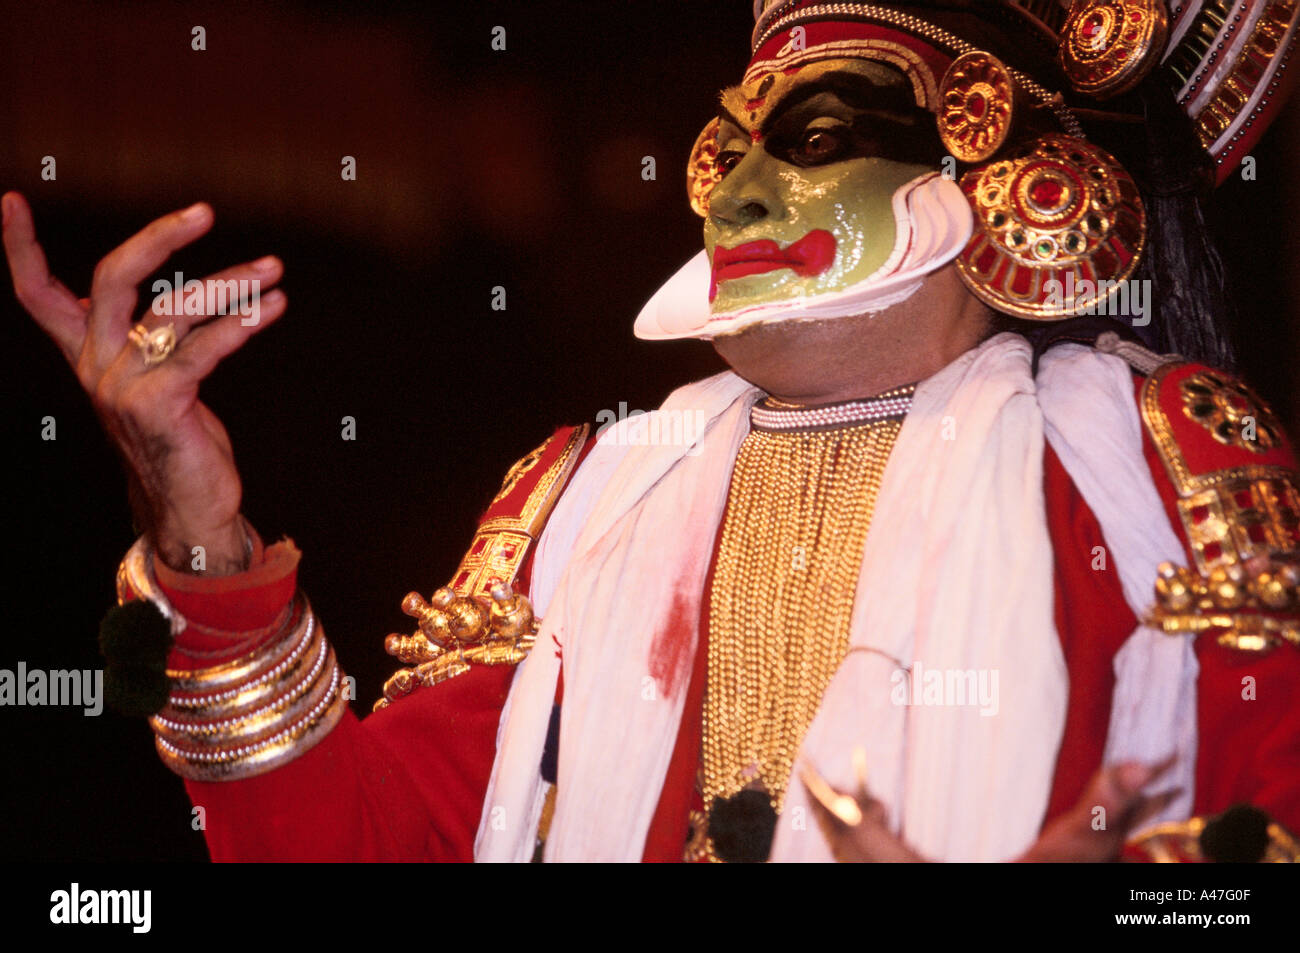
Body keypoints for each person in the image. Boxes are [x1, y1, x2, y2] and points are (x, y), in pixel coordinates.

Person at [6, 0, 1300, 862]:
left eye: (811, 138)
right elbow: (346, 843)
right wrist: (194, 517)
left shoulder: (1163, 459)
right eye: (726, 147)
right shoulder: (582, 498)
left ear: (998, 178)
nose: (737, 189)